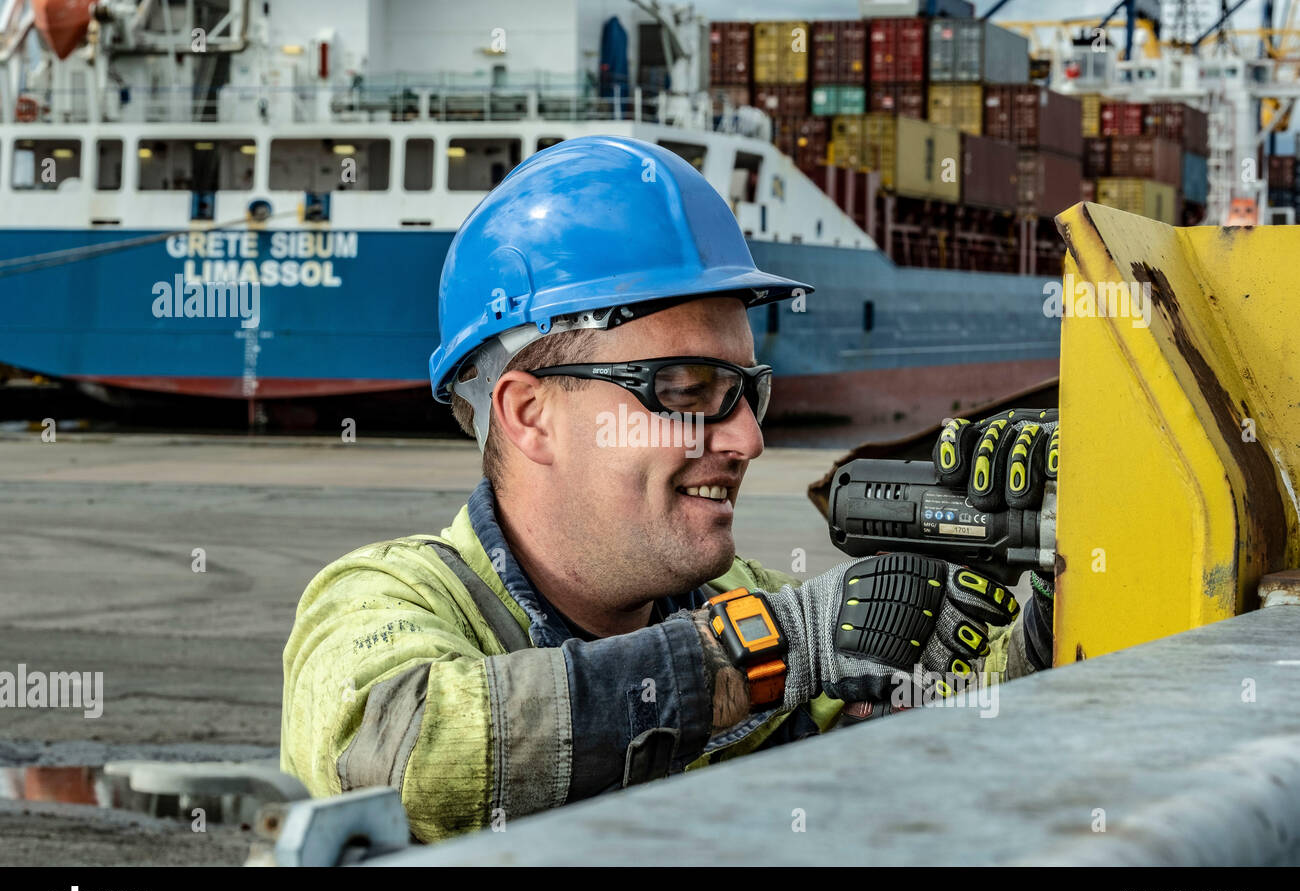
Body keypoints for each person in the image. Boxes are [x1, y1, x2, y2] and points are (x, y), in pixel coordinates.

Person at [280, 136, 1058, 843]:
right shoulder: (383, 602)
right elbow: (409, 755)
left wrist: (1046, 607)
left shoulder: (739, 596)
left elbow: (941, 751)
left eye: (748, 391)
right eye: (686, 390)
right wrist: (776, 650)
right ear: (529, 414)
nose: (748, 439)